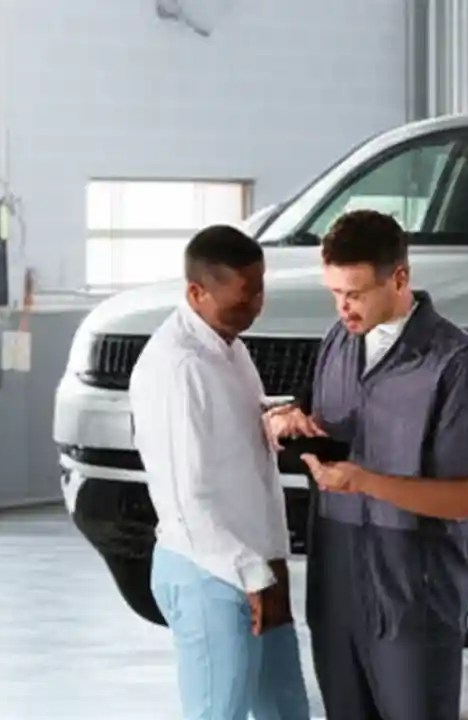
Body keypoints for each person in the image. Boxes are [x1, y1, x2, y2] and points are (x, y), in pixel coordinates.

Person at [264, 209, 468, 720]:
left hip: (412, 589)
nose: (343, 308)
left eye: (355, 293)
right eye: (334, 293)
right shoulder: (338, 341)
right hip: (338, 582)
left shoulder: (459, 365)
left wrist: (366, 481)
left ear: (399, 278)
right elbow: (334, 424)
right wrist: (295, 423)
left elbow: (466, 497)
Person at [129, 224, 310, 720]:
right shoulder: (177, 367)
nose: (255, 308)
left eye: (259, 293)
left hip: (256, 562)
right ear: (196, 292)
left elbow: (237, 441)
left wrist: (275, 416)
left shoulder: (229, 345)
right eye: (242, 300)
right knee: (218, 713)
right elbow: (186, 499)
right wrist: (253, 574)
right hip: (209, 570)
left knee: (287, 710)